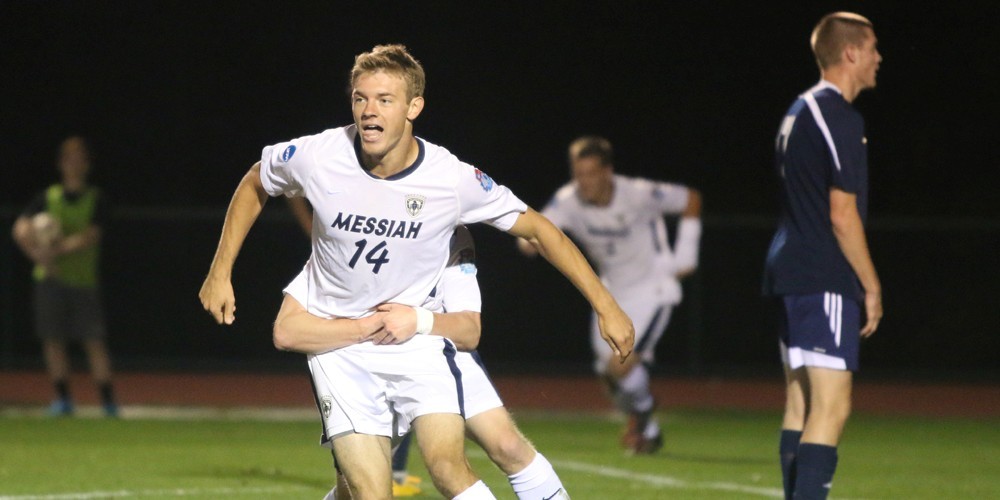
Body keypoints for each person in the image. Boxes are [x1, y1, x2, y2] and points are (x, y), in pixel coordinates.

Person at [199, 44, 633, 499]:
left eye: (384, 100)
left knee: (450, 467)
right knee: (369, 493)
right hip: (340, 346)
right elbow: (257, 180)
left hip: (414, 338)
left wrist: (606, 306)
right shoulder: (318, 154)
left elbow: (540, 230)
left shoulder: (451, 179)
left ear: (413, 107)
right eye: (360, 98)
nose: (369, 111)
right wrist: (219, 271)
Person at [276, 226, 569, 499]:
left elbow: (469, 331)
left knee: (494, 449)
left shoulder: (451, 234)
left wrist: (417, 320)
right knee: (357, 491)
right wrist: (365, 327)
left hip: (434, 347)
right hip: (357, 360)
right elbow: (286, 331)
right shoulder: (349, 233)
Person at [762, 12, 883, 500]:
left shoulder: (799, 109)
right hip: (821, 272)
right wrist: (871, 284)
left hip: (788, 268)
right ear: (850, 52)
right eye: (872, 48)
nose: (878, 58)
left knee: (801, 403)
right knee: (831, 407)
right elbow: (842, 214)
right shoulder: (837, 114)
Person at [518, 136, 702, 454]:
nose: (584, 181)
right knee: (607, 376)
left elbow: (691, 199)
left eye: (591, 173)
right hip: (611, 293)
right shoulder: (568, 201)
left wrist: (686, 254)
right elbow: (536, 229)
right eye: (579, 173)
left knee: (620, 366)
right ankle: (648, 426)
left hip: (653, 289)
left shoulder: (638, 193)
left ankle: (642, 414)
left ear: (607, 172)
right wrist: (528, 241)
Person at [11, 136, 119, 418]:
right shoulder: (47, 198)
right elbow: (20, 228)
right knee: (52, 340)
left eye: (80, 158)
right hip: (49, 281)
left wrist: (54, 251)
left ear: (87, 164)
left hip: (83, 282)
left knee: (93, 340)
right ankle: (63, 400)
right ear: (60, 163)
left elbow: (90, 236)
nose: (74, 164)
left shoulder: (96, 199)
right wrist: (37, 254)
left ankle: (108, 403)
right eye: (69, 158)